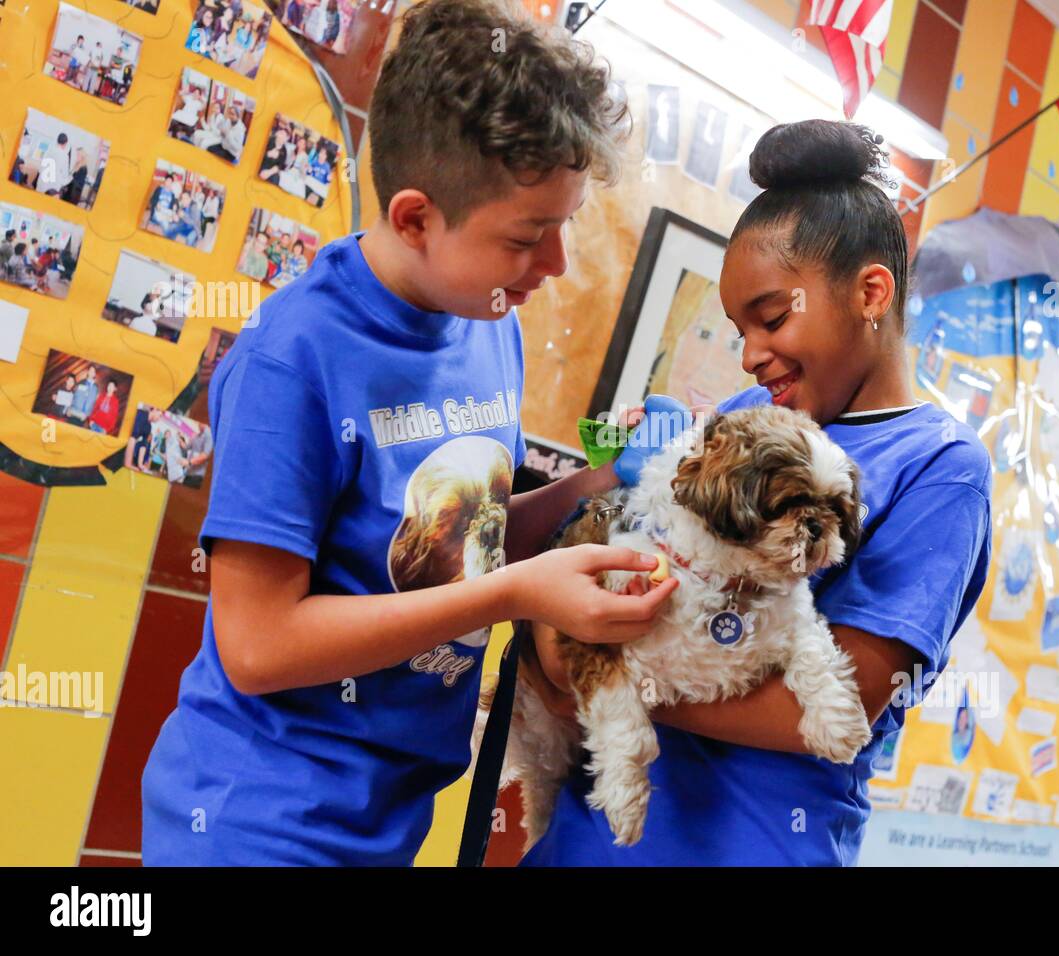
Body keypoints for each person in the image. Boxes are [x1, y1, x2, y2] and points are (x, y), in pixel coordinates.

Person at [140, 0, 674, 867]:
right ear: (418, 217)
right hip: (258, 825)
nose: (557, 265)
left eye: (564, 224)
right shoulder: (295, 359)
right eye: (526, 237)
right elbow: (257, 646)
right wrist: (517, 595)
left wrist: (597, 485)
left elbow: (468, 543)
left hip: (389, 818)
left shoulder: (487, 319)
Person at [521, 120, 993, 866]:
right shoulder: (750, 416)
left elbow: (850, 702)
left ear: (872, 291)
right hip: (592, 837)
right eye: (739, 328)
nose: (749, 355)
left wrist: (601, 666)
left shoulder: (941, 468)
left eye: (772, 318)